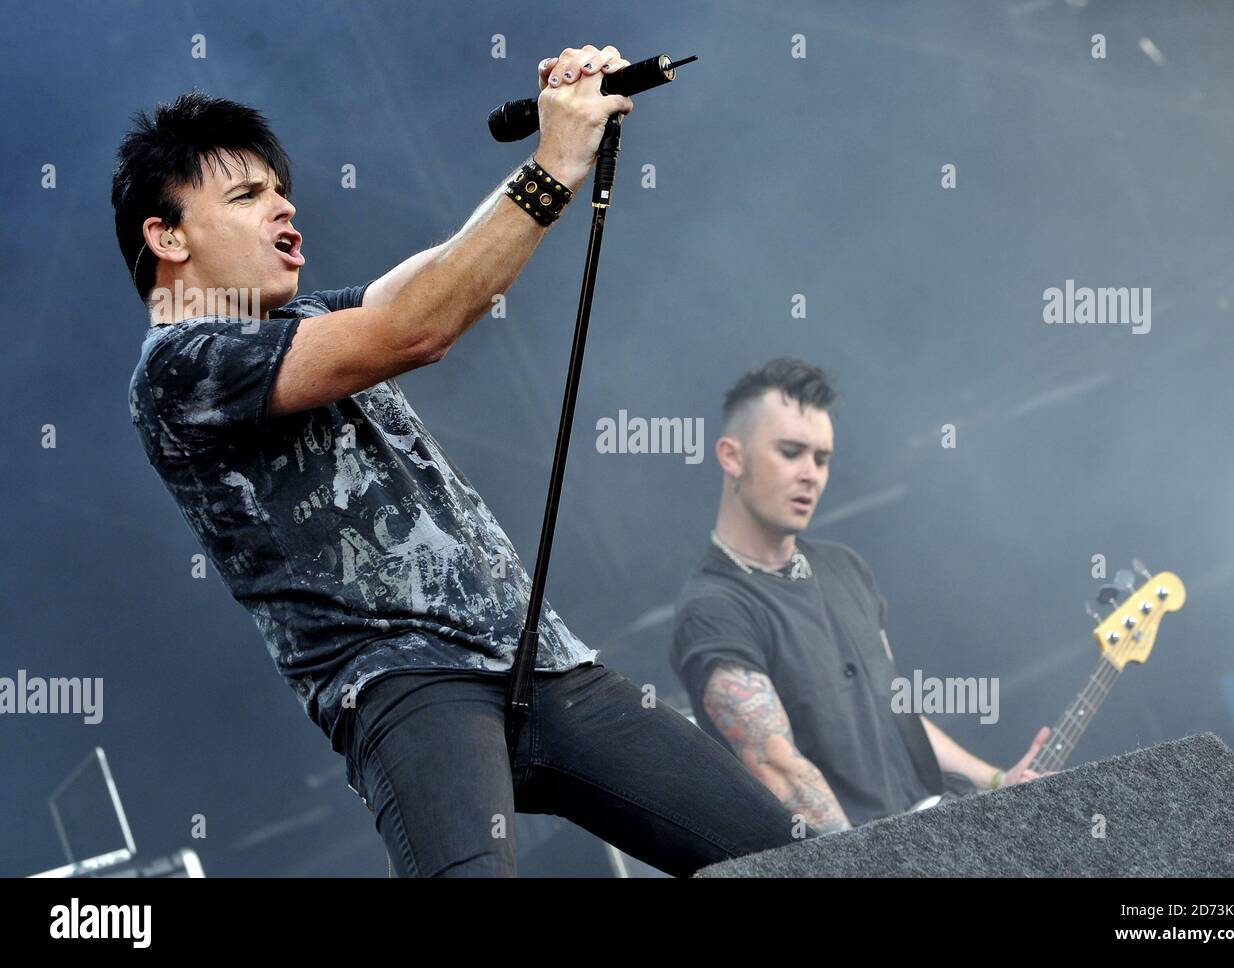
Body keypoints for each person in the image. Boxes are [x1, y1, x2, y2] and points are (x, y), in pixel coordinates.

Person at [115, 45, 798, 877]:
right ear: (166, 234)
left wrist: (562, 137)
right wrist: (552, 163)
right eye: (249, 195)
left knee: (792, 861)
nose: (286, 210)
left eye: (283, 190)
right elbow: (418, 329)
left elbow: (443, 272)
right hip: (406, 686)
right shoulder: (177, 369)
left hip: (544, 665)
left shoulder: (316, 319)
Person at [670, 358, 1053, 831]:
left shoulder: (843, 567)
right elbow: (783, 775)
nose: (811, 473)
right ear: (732, 457)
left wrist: (995, 780)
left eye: (822, 458)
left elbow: (896, 711)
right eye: (791, 452)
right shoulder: (713, 610)